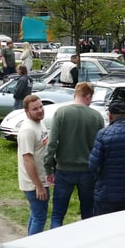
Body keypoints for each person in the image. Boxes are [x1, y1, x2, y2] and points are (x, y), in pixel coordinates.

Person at [45, 81, 105, 227]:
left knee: (58, 214)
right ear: (89, 97)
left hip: (64, 169)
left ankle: (54, 241)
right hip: (88, 171)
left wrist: (48, 168)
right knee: (88, 214)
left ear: (75, 95)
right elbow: (101, 146)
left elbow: (52, 143)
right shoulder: (97, 116)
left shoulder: (61, 112)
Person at [17, 94, 51, 234]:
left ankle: (27, 243)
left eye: (41, 106)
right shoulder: (27, 130)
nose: (40, 110)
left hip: (42, 179)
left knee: (36, 213)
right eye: (35, 109)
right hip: (33, 183)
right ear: (27, 112)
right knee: (40, 217)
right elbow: (27, 160)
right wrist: (39, 186)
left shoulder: (39, 122)